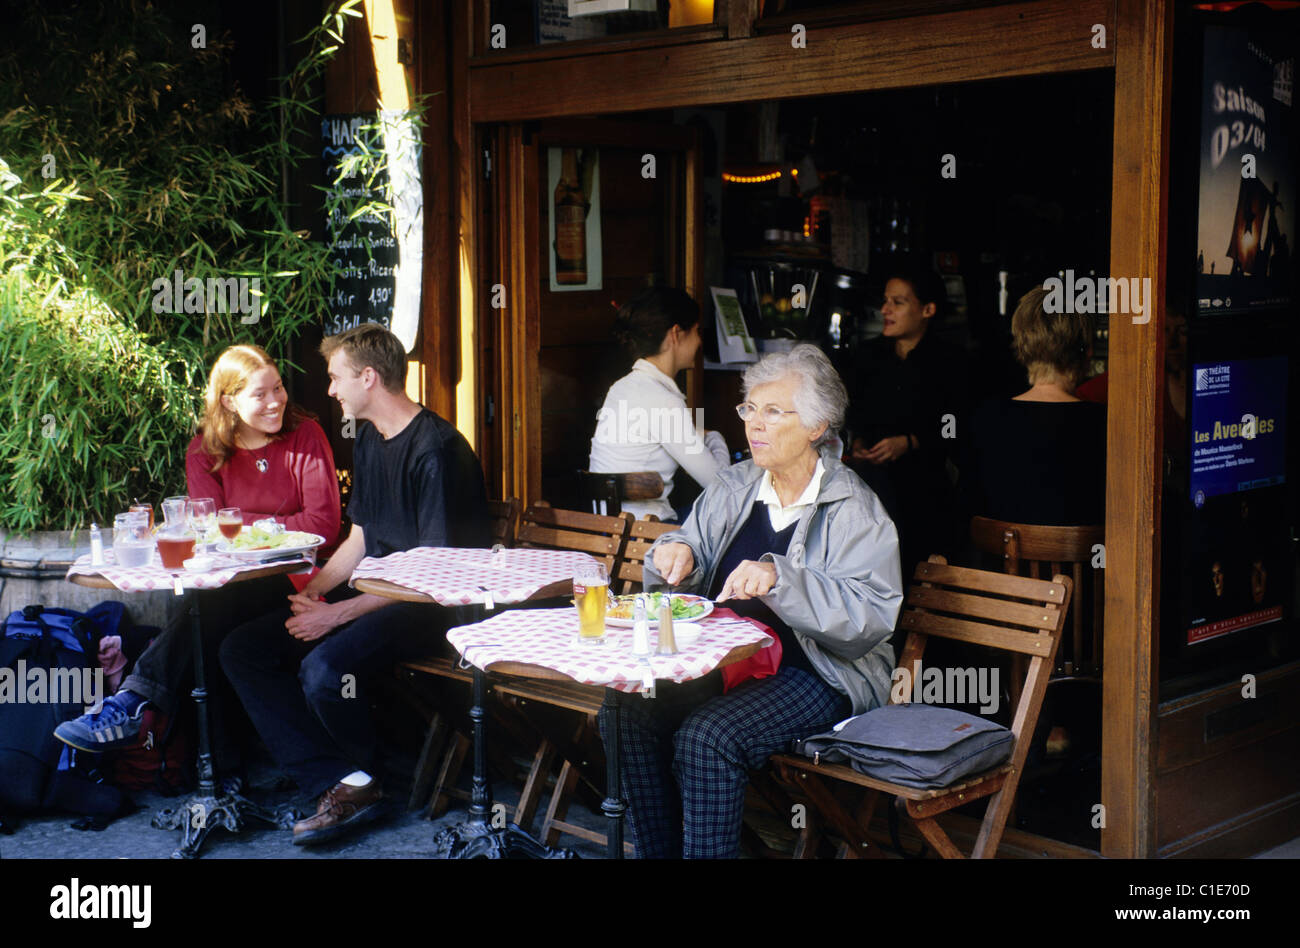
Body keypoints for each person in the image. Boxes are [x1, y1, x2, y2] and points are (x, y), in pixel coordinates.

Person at [602, 343, 903, 858]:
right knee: (623, 709)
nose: (753, 425)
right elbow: (689, 540)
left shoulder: (856, 509)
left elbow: (870, 617)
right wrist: (677, 553)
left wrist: (780, 579)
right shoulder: (735, 484)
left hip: (820, 672)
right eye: (749, 409)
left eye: (772, 412)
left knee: (708, 737)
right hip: (727, 662)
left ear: (816, 425)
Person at [219, 323, 489, 846]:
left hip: (432, 608)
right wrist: (315, 591)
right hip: (379, 592)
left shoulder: (437, 450)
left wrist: (335, 614)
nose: (330, 390)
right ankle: (343, 781)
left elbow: (434, 575)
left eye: (336, 377)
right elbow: (362, 538)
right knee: (242, 649)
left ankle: (355, 785)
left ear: (368, 377)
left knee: (323, 669)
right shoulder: (369, 436)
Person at [54, 345, 341, 772]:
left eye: (278, 388)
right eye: (261, 394)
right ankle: (216, 771)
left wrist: (241, 522)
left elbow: (323, 525)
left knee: (204, 611)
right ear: (229, 400)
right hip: (236, 584)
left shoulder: (305, 435)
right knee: (207, 614)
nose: (277, 400)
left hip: (305, 578)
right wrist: (266, 524)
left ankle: (135, 702)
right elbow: (206, 530)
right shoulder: (203, 451)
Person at [847, 264, 968, 574]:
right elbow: (854, 412)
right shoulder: (868, 356)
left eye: (898, 302)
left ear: (927, 309)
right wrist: (857, 441)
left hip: (924, 496)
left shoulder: (950, 362)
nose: (885, 309)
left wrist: (911, 442)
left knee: (919, 577)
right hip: (868, 491)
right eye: (885, 301)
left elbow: (957, 426)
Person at [964, 285, 1106, 526]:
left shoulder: (986, 419)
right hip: (1091, 563)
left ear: (1022, 348)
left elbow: (970, 509)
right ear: (1087, 352)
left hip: (1000, 562)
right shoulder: (1105, 422)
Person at [589, 286, 730, 521]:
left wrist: (694, 435)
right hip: (644, 535)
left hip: (606, 530)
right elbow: (720, 484)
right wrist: (715, 438)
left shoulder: (621, 388)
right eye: (696, 331)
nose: (698, 342)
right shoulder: (665, 401)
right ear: (676, 334)